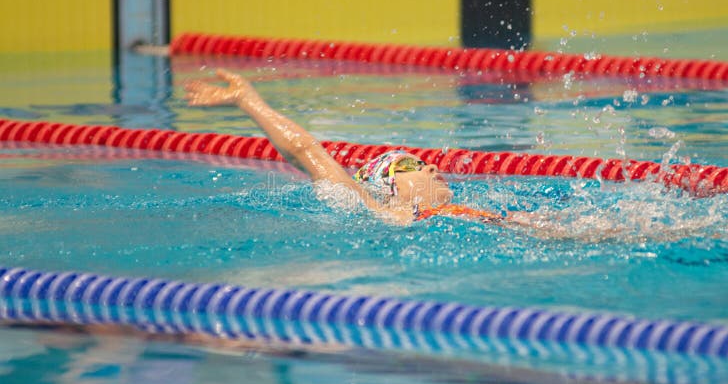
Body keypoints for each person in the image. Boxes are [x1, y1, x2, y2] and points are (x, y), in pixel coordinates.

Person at [184, 69, 503, 225]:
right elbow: (305, 151)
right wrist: (248, 101)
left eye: (423, 163)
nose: (432, 167)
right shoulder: (373, 209)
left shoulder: (461, 214)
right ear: (387, 188)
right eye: (409, 166)